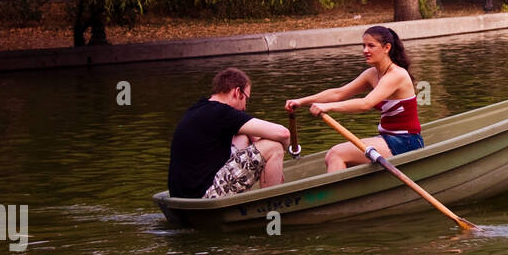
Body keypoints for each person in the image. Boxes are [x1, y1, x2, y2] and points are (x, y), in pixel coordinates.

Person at [285, 26, 424, 173]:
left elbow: (366, 104)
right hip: (386, 138)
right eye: (363, 46)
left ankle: (337, 195)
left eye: (371, 45)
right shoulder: (372, 74)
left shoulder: (397, 75)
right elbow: (338, 93)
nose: (365, 50)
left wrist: (329, 107)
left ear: (387, 48)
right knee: (338, 155)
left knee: (335, 154)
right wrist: (301, 101)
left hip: (407, 141)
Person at [168, 67, 290, 199]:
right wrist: (281, 152)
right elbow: (283, 133)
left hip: (182, 196)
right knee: (274, 146)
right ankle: (271, 207)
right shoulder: (222, 113)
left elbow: (252, 134)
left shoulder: (199, 108)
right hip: (205, 197)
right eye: (246, 99)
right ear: (237, 92)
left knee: (243, 136)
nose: (245, 107)